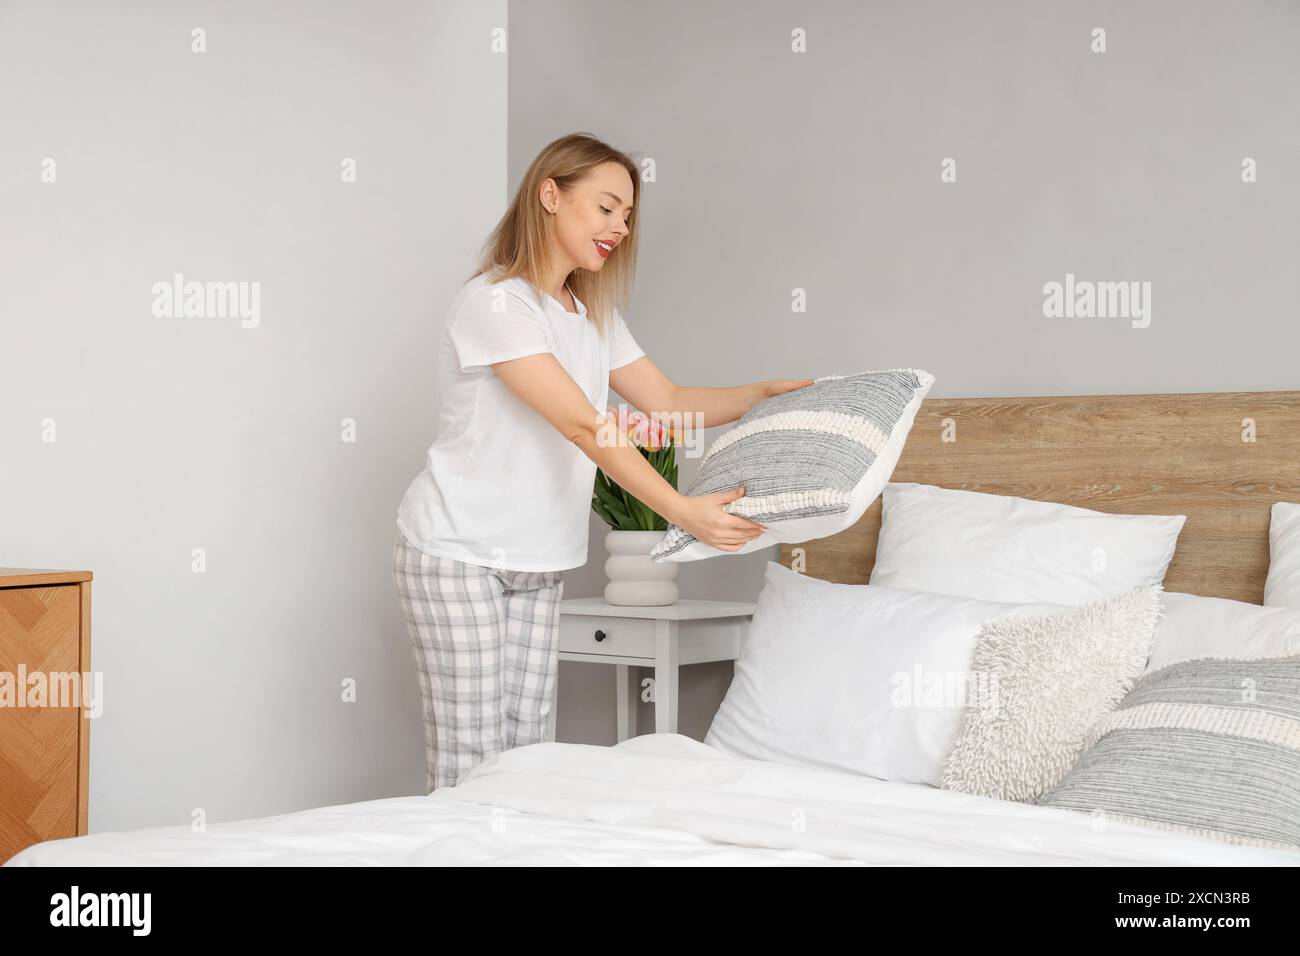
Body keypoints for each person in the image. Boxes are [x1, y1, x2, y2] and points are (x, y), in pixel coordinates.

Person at [393, 131, 813, 792]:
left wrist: (758, 395)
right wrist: (682, 512)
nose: (620, 226)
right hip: (460, 549)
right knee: (470, 755)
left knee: (525, 751)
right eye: (607, 207)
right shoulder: (497, 304)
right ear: (550, 195)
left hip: (541, 556)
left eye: (628, 215)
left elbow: (667, 400)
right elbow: (584, 423)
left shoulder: (592, 316)